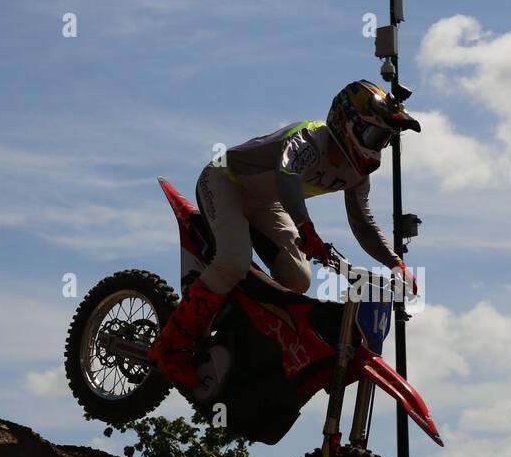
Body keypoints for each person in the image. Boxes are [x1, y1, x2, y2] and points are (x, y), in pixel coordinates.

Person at [150, 79, 421, 387]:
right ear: (348, 122)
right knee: (234, 261)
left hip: (267, 203)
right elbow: (287, 176)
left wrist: (395, 262)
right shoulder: (309, 138)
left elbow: (363, 222)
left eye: (384, 140)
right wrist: (306, 229)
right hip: (225, 181)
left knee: (298, 280)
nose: (377, 147)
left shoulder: (356, 175)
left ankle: (236, 335)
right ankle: (171, 348)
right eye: (374, 135)